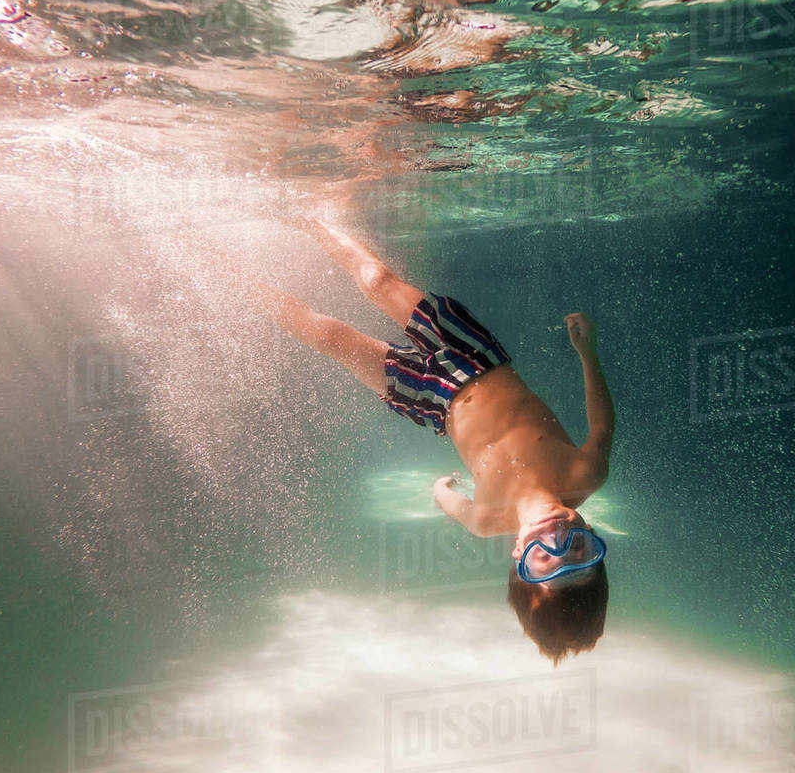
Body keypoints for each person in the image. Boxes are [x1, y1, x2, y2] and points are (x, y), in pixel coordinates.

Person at [250, 215, 615, 664]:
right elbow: (600, 425)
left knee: (330, 337)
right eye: (579, 551)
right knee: (381, 281)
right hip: (477, 355)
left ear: (519, 559)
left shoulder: (487, 519)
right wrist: (588, 353)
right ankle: (315, 217)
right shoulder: (585, 473)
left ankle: (235, 280)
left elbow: (454, 506)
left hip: (431, 400)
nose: (558, 540)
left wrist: (440, 491)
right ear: (594, 538)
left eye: (545, 559)